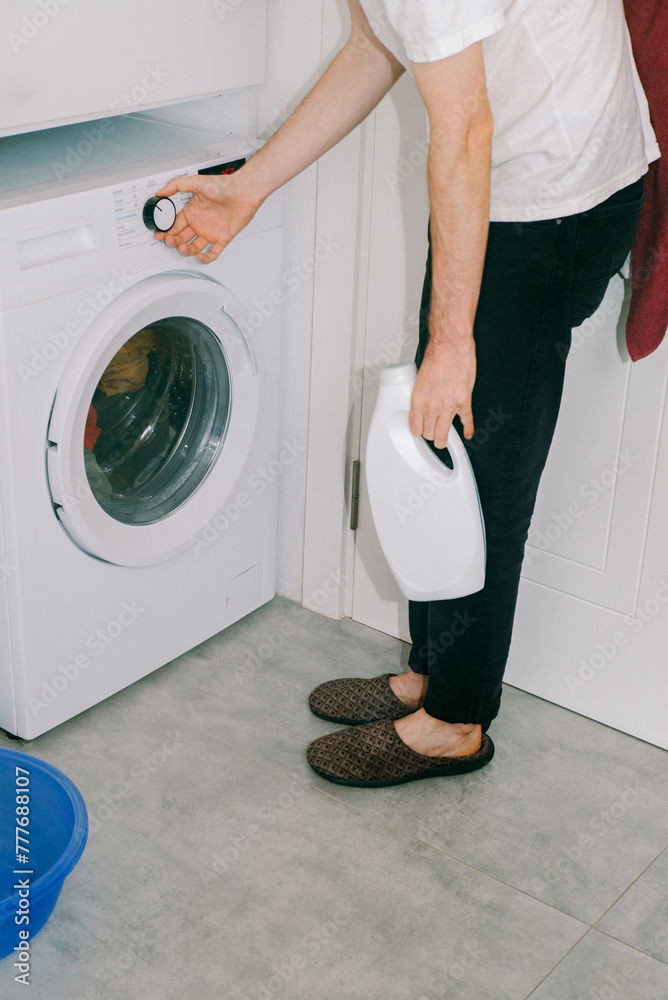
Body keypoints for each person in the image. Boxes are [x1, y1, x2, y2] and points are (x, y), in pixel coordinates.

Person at [154, 0, 659, 787]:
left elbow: (464, 131)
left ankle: (456, 722)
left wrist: (453, 344)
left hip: (552, 200)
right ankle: (431, 675)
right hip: (503, 186)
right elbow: (373, 46)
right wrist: (249, 186)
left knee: (484, 473)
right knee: (444, 445)